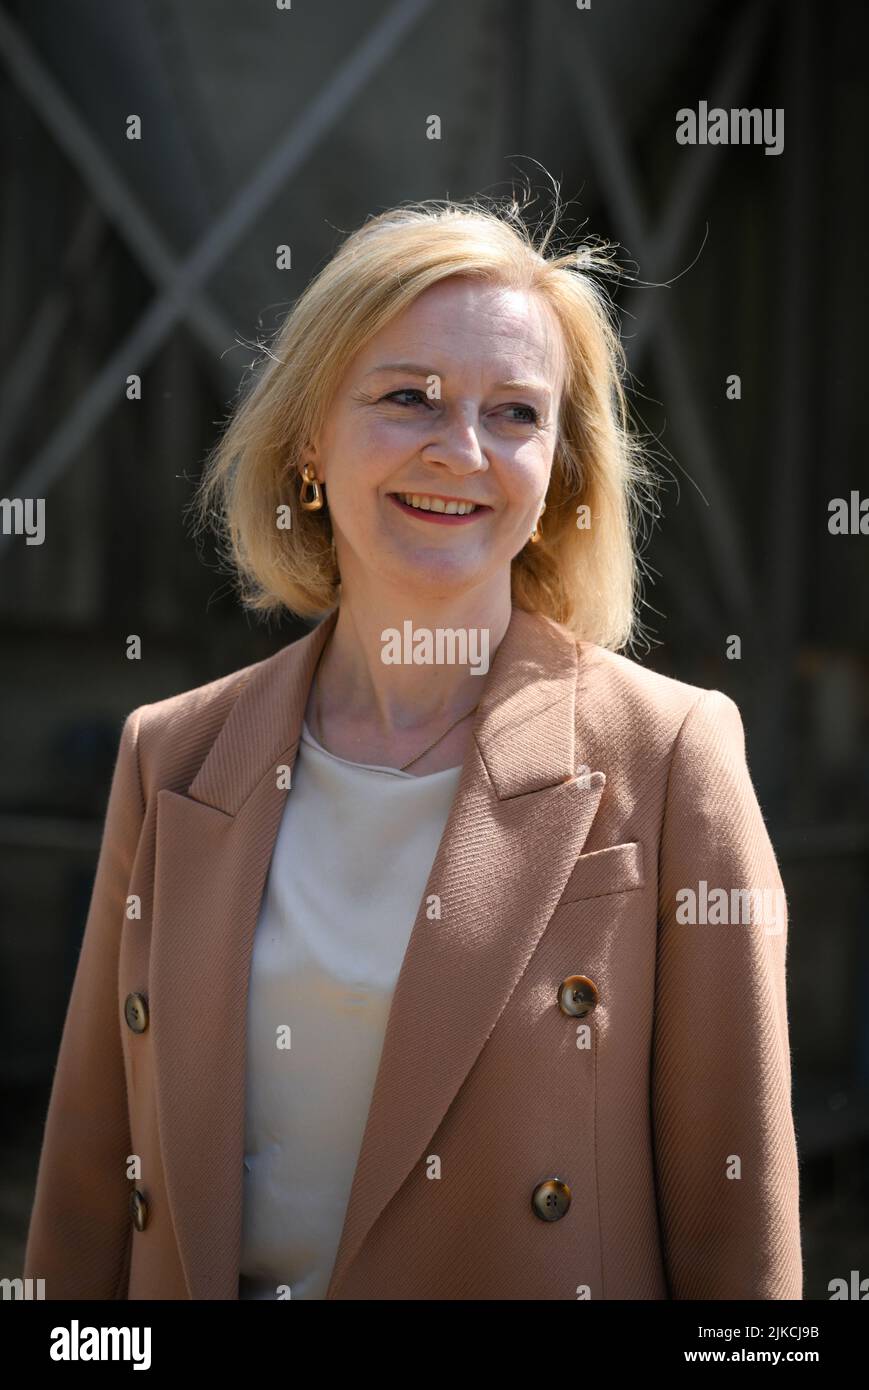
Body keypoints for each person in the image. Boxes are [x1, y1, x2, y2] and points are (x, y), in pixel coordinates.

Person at [23, 195, 802, 1300]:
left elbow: (739, 1234)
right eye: (407, 398)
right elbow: (88, 1192)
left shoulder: (670, 754)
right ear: (307, 437)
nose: (463, 452)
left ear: (558, 472)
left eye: (517, 414)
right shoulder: (173, 755)